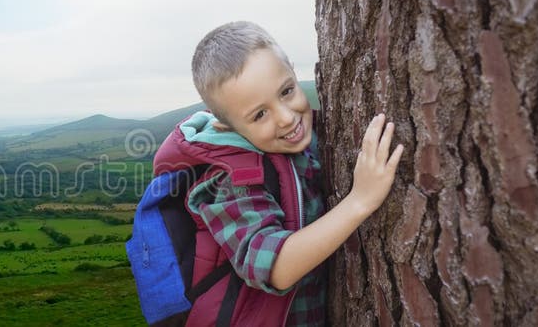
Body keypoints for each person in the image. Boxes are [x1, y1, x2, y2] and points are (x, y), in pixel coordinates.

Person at [151, 21, 404, 325]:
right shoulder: (228, 183)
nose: (286, 117)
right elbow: (274, 268)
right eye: (259, 114)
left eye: (286, 91)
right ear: (228, 127)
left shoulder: (311, 140)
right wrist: (360, 200)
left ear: (295, 75)